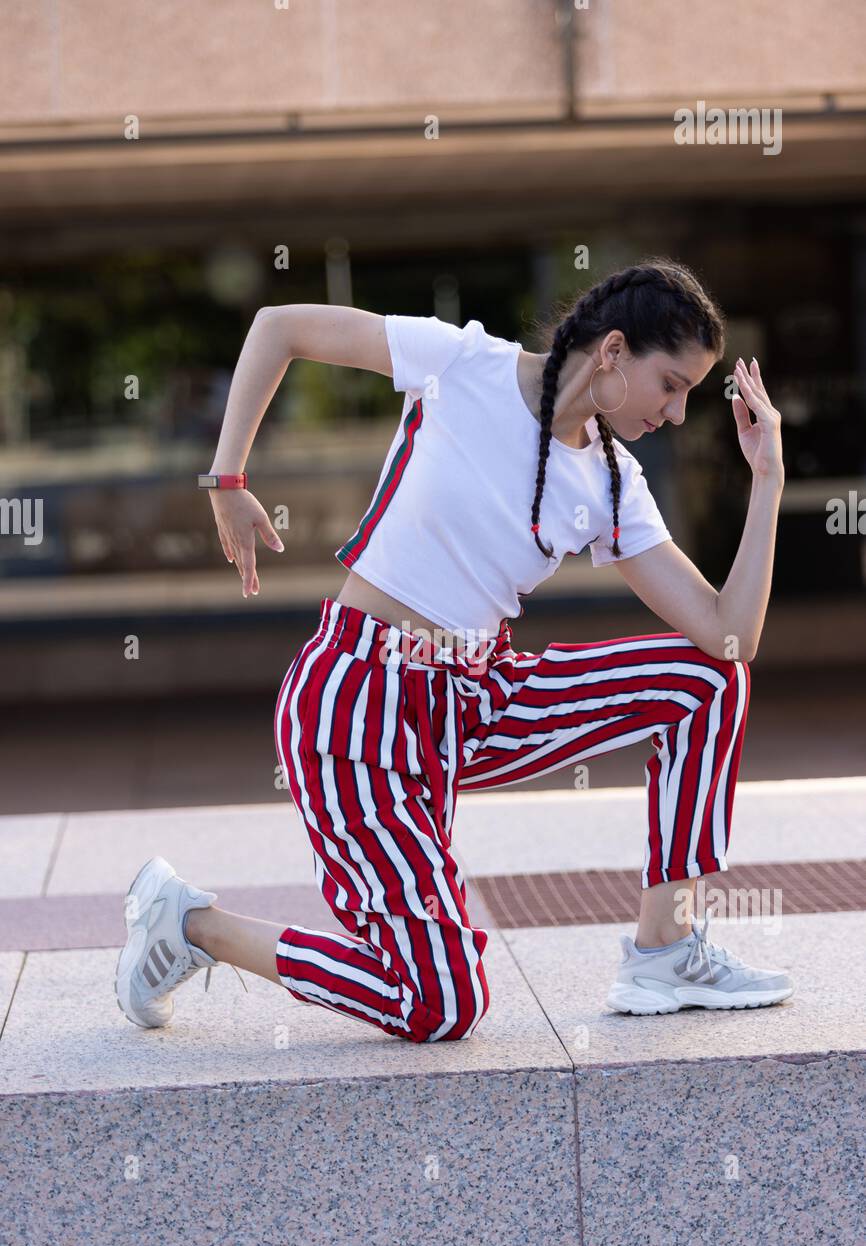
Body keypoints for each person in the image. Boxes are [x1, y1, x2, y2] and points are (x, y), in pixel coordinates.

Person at [115, 257, 793, 1040]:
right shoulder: (464, 362)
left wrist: (768, 479)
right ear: (612, 352)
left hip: (474, 698)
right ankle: (194, 924)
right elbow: (280, 329)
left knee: (707, 680)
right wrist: (225, 480)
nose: (677, 413)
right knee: (442, 1005)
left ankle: (666, 949)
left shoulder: (610, 480)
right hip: (358, 707)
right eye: (671, 385)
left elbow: (729, 634)